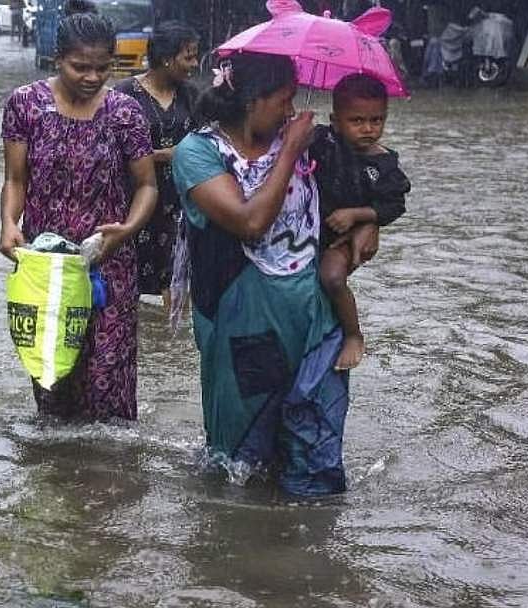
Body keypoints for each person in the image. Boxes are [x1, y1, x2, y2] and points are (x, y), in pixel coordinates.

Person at [172, 52, 378, 496]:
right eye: (283, 101)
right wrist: (288, 152)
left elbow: (368, 180)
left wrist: (369, 222)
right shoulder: (198, 153)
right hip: (241, 326)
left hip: (314, 318)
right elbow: (249, 222)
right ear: (251, 102)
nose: (290, 111)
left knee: (318, 457)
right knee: (242, 470)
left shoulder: (310, 143)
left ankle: (313, 552)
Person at [0, 0, 157, 421]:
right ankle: (58, 475)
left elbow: (146, 186)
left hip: (110, 262)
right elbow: (16, 180)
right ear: (58, 59)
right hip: (46, 266)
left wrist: (126, 230)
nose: (92, 78)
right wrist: (8, 224)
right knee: (52, 383)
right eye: (79, 67)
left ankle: (106, 480)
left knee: (108, 386)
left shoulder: (125, 112)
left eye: (103, 68)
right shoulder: (26, 104)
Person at [310, 74, 411, 371]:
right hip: (314, 230)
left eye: (377, 120)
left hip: (346, 237)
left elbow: (395, 205)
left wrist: (360, 216)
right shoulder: (323, 142)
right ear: (335, 120)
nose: (368, 129)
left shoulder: (384, 164)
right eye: (357, 121)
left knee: (332, 277)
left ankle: (353, 335)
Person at [114, 21, 199, 310]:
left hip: (180, 203)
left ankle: (172, 348)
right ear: (166, 57)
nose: (194, 64)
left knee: (176, 281)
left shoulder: (191, 96)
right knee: (128, 282)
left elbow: (207, 143)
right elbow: (108, 154)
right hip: (134, 201)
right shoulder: (124, 94)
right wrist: (164, 155)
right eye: (188, 56)